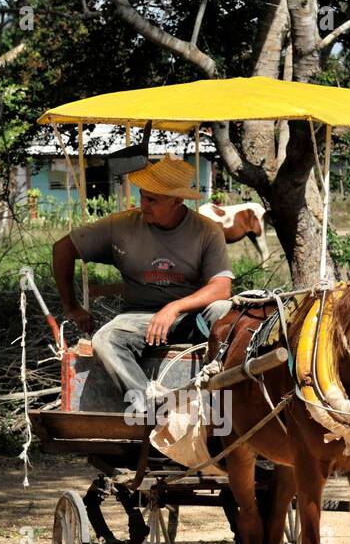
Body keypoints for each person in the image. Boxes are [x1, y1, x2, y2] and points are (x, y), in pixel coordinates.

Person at [51, 157, 234, 406]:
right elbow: (62, 249)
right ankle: (149, 405)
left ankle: (228, 398)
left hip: (193, 317)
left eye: (152, 200)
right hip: (138, 319)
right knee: (104, 340)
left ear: (177, 201)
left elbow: (221, 287)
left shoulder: (206, 230)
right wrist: (70, 305)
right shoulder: (122, 226)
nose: (143, 205)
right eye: (142, 196)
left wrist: (174, 307)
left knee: (227, 312)